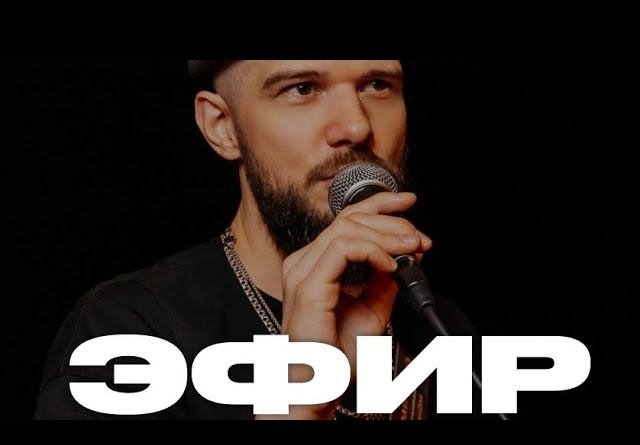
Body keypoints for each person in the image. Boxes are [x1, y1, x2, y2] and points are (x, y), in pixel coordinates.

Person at [34, 60, 477, 420]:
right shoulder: (131, 335)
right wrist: (296, 405)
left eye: (377, 85)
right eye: (302, 89)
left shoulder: (441, 330)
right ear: (222, 126)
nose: (356, 126)